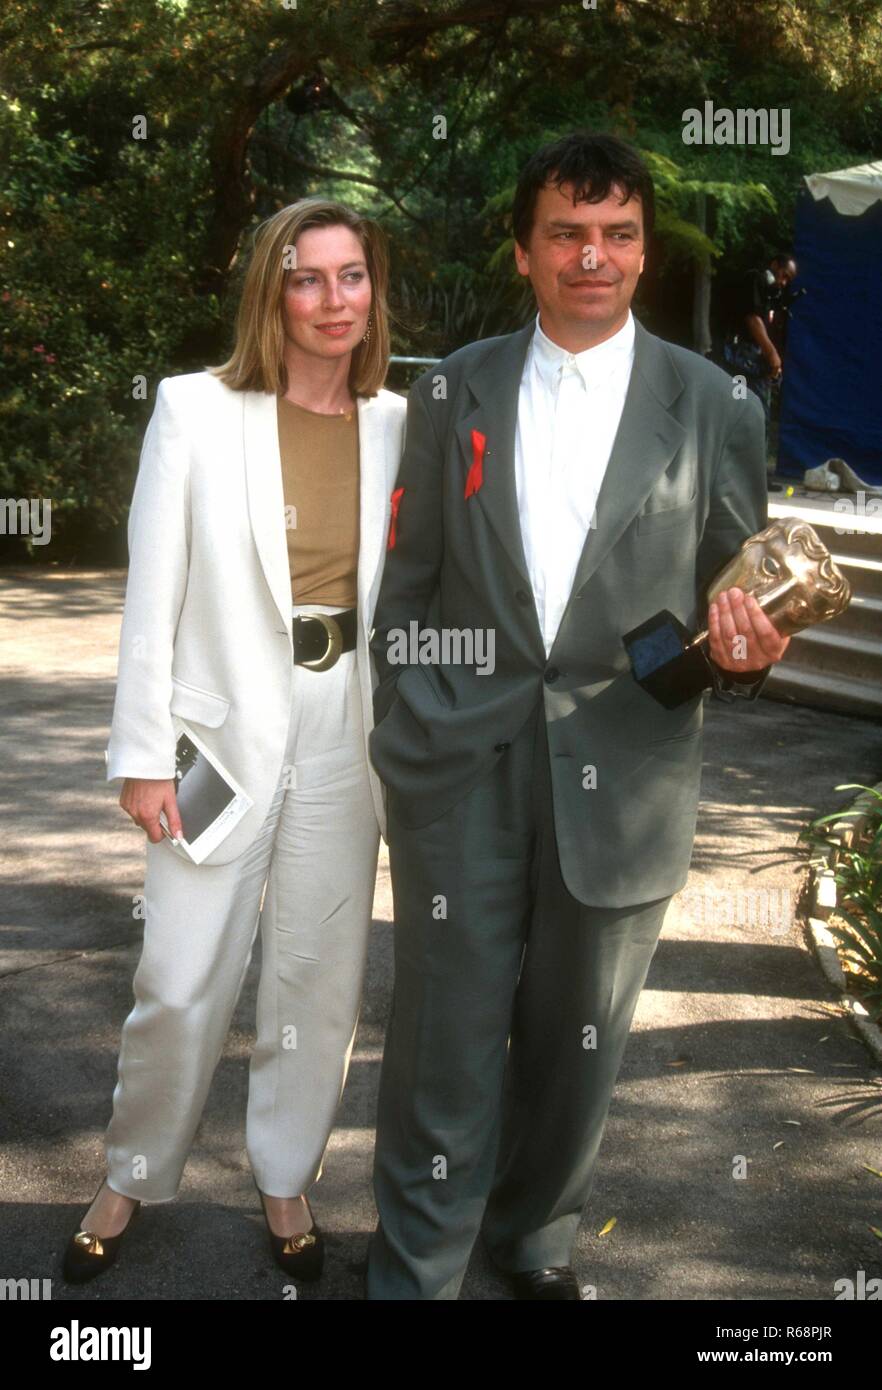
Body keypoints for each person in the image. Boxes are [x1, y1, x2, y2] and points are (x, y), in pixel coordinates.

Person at [364, 131, 791, 1300]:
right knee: (443, 1038)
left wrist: (746, 652)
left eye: (616, 236)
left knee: (578, 1042)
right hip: (459, 759)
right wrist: (403, 722)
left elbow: (729, 597)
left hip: (628, 762)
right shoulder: (452, 386)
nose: (591, 256)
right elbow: (407, 580)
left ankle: (535, 1237)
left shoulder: (714, 405)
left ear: (644, 254)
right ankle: (417, 1267)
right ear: (525, 250)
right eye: (567, 232)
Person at [61, 198, 406, 1284]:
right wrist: (142, 753)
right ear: (272, 290)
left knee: (320, 972)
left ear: (373, 292)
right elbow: (151, 589)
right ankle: (130, 1170)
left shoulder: (403, 421)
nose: (333, 300)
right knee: (180, 972)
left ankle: (286, 1174)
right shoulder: (195, 409)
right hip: (216, 737)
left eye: (352, 277)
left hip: (346, 724)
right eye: (309, 278)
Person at [721, 252, 798, 436]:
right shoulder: (755, 279)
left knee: (757, 416)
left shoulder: (772, 296)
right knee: (739, 410)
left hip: (757, 362)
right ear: (774, 265)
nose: (784, 282)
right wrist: (772, 354)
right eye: (784, 275)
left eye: (789, 280)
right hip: (740, 360)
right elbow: (752, 318)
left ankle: (753, 461)